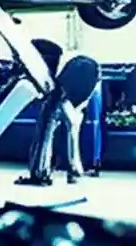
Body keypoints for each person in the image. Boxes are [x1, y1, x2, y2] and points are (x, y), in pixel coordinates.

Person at [14, 39, 101, 186]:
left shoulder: (35, 54)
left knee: (45, 127)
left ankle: (40, 174)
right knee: (72, 125)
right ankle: (74, 171)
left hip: (74, 72)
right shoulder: (48, 51)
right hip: (88, 70)